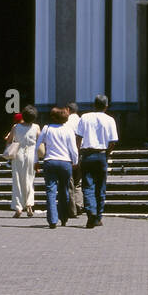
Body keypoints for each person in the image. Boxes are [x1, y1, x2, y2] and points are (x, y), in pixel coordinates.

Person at [75, 96, 119, 228]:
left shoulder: (85, 117)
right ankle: (98, 217)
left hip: (87, 154)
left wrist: (77, 153)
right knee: (101, 187)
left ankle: (91, 212)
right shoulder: (110, 120)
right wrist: (107, 153)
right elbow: (113, 142)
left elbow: (78, 137)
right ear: (106, 106)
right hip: (101, 155)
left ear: (94, 105)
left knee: (88, 186)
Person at [35, 105, 79, 228]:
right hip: (65, 162)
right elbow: (73, 149)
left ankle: (52, 219)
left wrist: (35, 161)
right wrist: (75, 162)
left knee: (50, 190)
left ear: (53, 117)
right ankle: (64, 217)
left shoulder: (47, 128)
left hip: (50, 161)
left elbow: (38, 145)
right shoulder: (69, 130)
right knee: (64, 190)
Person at [5, 106, 40, 218]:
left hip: (18, 154)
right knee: (30, 180)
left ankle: (18, 207)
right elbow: (40, 143)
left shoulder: (16, 127)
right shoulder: (36, 127)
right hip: (31, 154)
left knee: (17, 181)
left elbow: (9, 141)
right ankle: (29, 205)